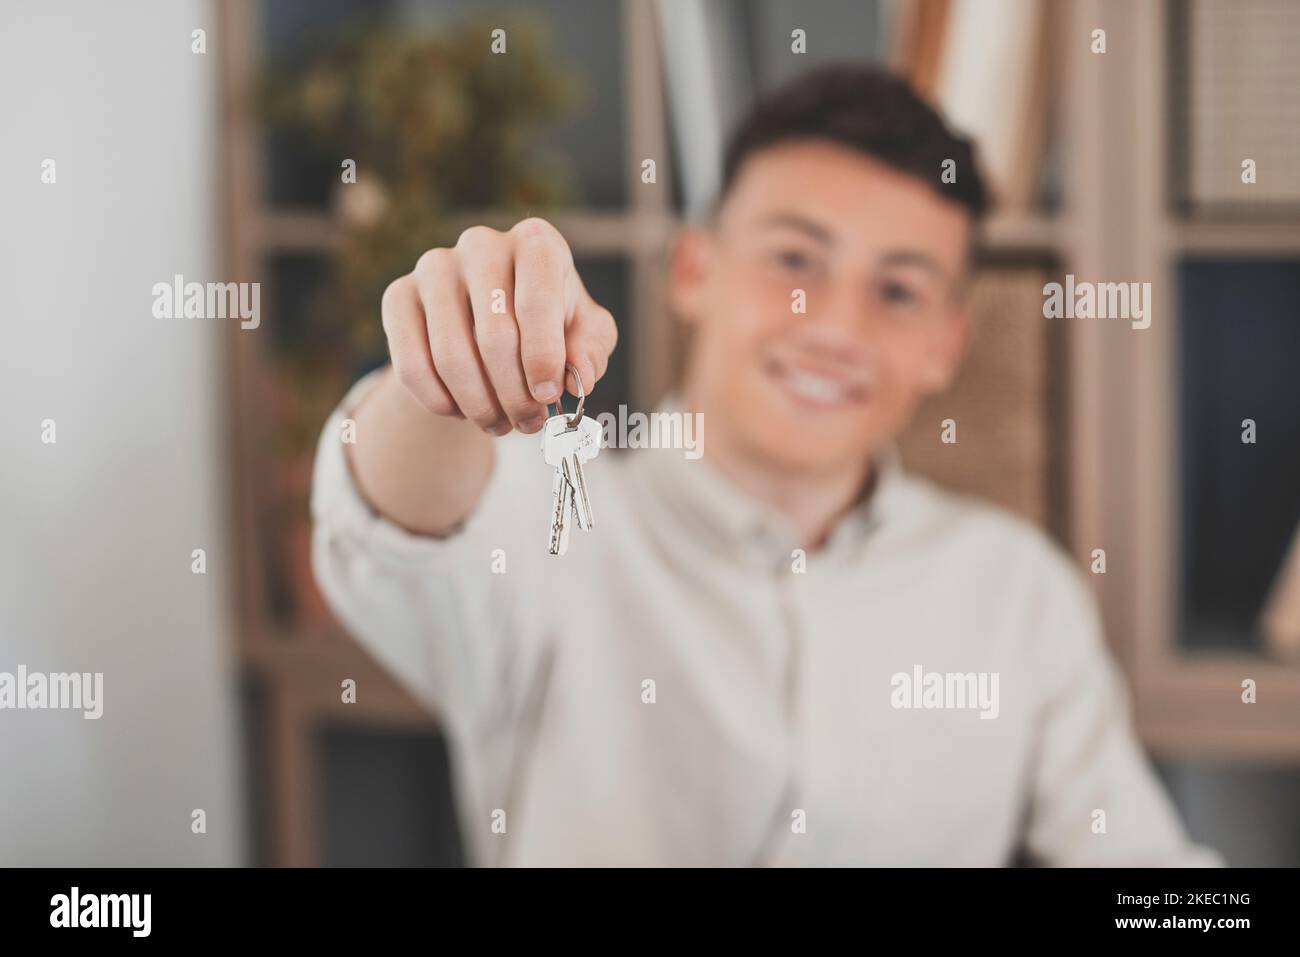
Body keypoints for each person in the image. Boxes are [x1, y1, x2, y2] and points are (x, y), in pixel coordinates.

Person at [310, 65, 1220, 866]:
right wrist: (440, 376)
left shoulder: (1019, 592)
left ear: (945, 344)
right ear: (695, 269)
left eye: (898, 290)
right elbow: (398, 522)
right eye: (795, 259)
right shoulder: (551, 517)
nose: (833, 327)